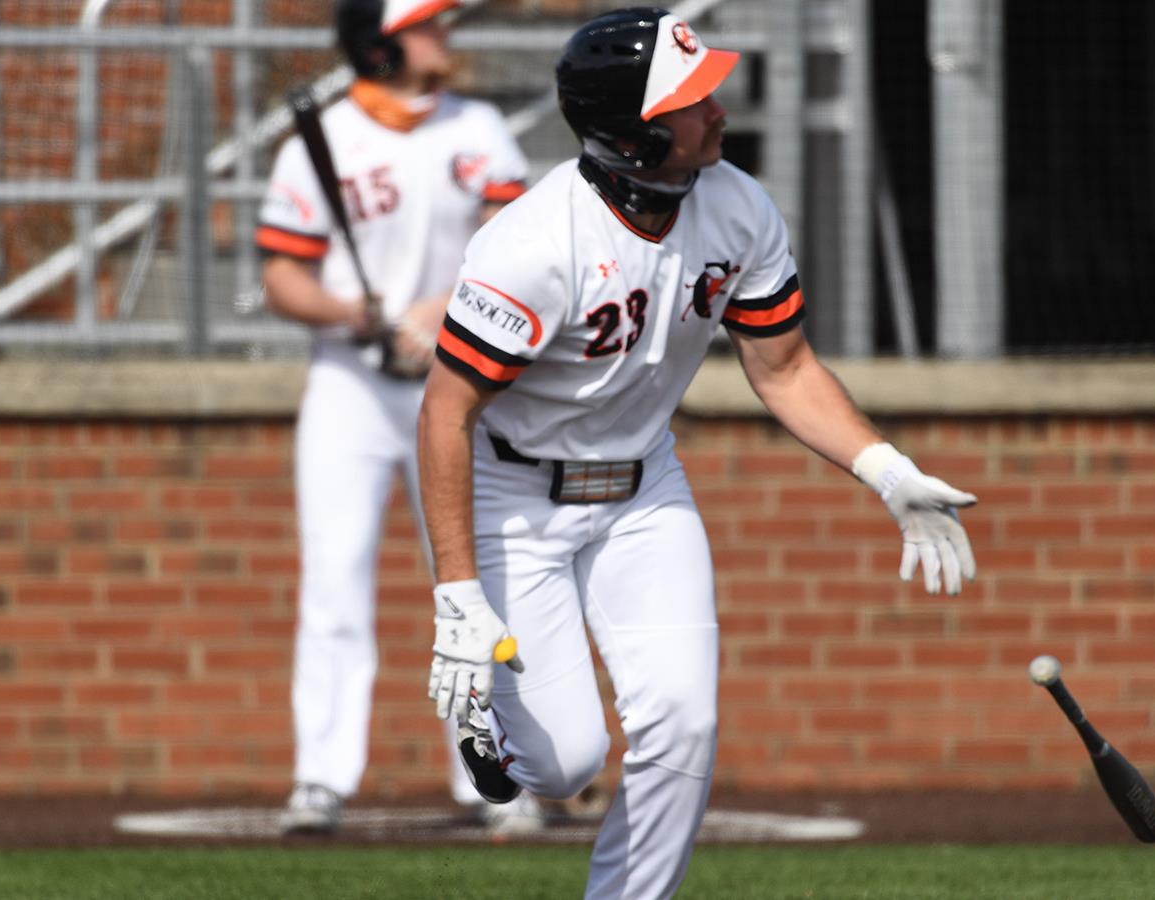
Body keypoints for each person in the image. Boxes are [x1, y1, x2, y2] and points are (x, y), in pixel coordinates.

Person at [417, 7, 979, 897]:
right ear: (632, 135)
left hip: (644, 492)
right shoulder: (531, 245)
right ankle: (491, 728)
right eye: (689, 99)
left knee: (684, 723)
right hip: (513, 496)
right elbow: (444, 413)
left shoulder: (738, 204)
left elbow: (785, 369)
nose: (717, 107)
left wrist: (886, 469)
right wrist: (456, 593)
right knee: (563, 766)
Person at [256, 0, 541, 835]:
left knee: (470, 579)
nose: (443, 34)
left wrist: (445, 307)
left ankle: (491, 775)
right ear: (378, 45)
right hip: (349, 381)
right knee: (334, 578)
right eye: (424, 25)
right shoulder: (321, 139)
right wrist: (360, 314)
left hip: (456, 383)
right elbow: (283, 276)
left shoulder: (479, 128)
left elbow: (515, 248)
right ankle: (321, 777)